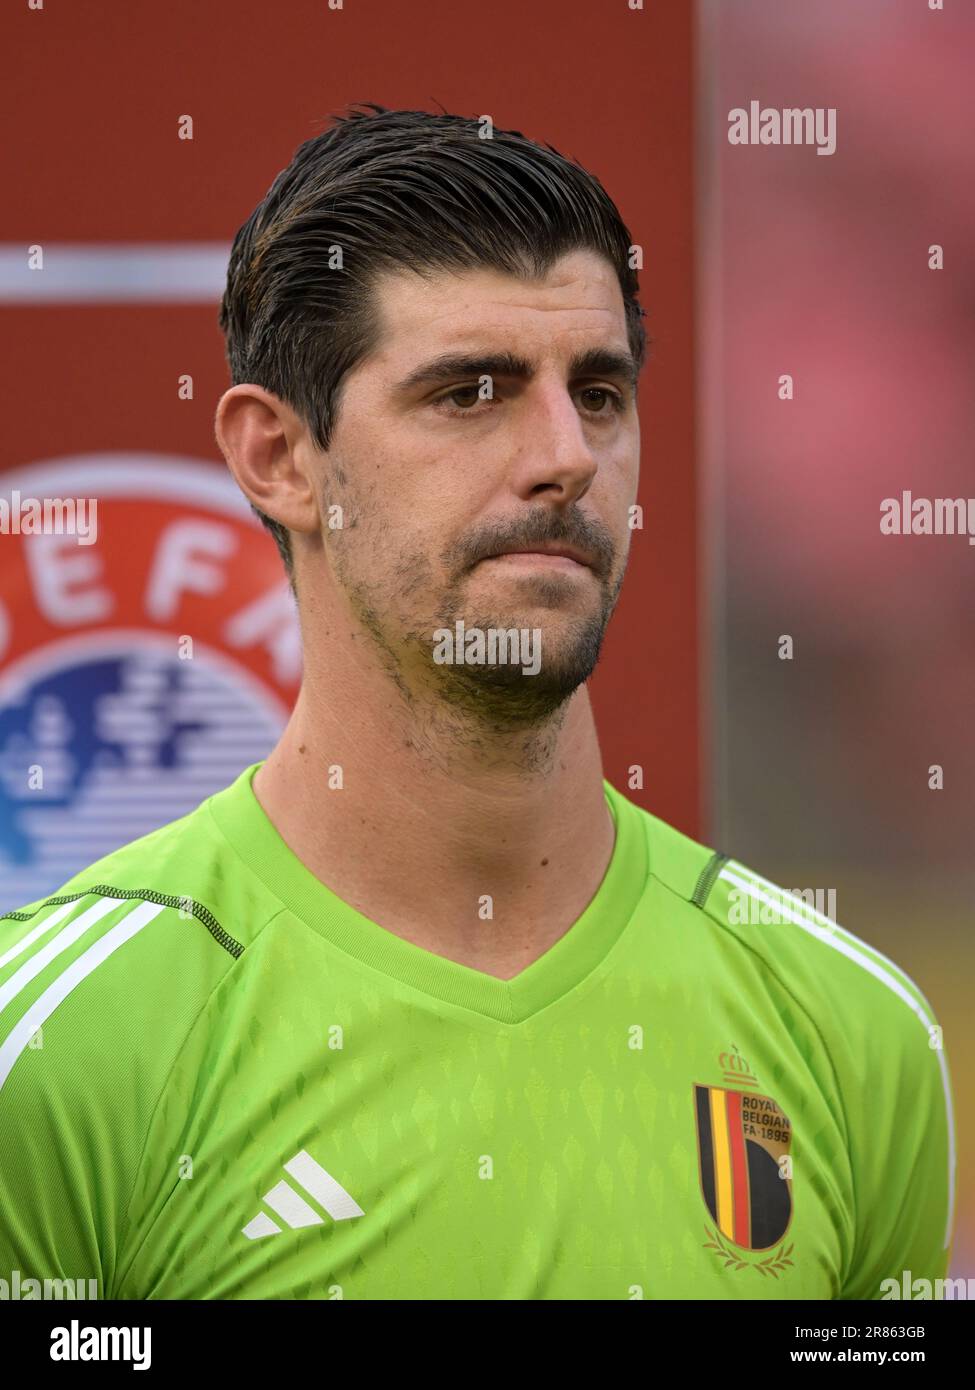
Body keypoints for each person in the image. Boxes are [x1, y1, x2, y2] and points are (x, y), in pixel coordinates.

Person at [0, 104, 954, 1300]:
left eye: (599, 393)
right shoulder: (53, 1049)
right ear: (279, 459)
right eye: (472, 391)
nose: (565, 453)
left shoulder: (848, 1027)